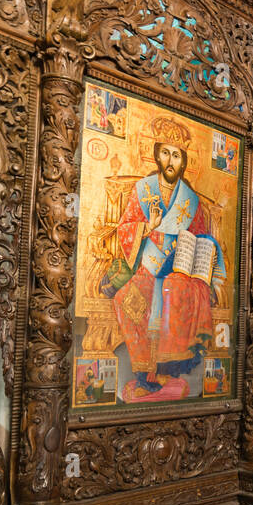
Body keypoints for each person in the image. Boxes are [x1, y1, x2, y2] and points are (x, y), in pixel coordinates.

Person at [104, 117, 224, 399]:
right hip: (147, 263)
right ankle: (144, 373)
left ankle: (169, 371)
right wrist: (149, 226)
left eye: (177, 155)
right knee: (126, 300)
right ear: (158, 155)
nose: (171, 160)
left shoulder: (190, 200)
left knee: (181, 292)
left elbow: (201, 237)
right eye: (166, 153)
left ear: (183, 161)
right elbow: (125, 227)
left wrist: (202, 269)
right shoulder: (143, 189)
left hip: (177, 270)